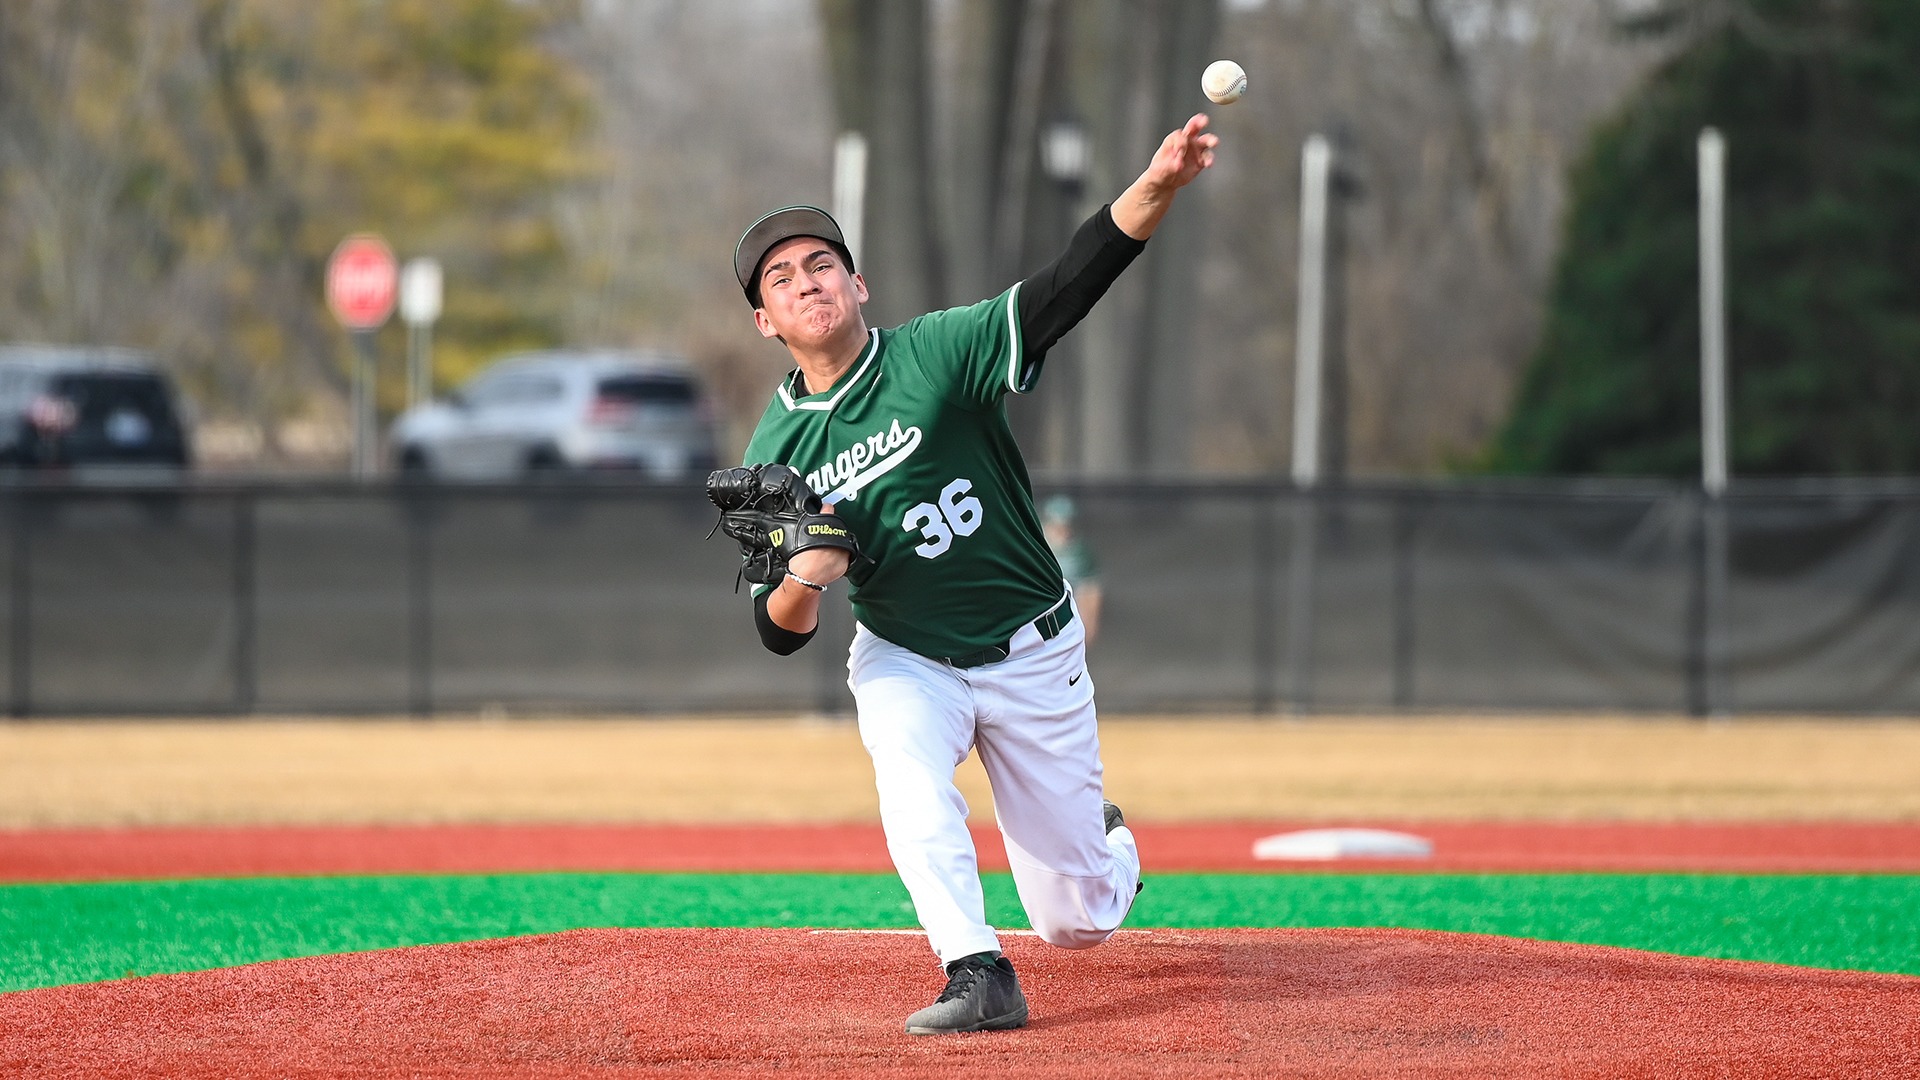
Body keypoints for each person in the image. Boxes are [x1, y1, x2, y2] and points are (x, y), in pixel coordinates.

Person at [729, 113, 1218, 1034]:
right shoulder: (772, 453)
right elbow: (776, 629)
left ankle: (1107, 842)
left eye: (820, 263)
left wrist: (1155, 186)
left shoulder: (937, 353)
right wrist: (807, 577)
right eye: (781, 278)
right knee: (906, 771)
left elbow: (1068, 287)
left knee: (1074, 920)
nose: (806, 282)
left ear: (857, 281)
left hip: (1031, 646)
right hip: (907, 651)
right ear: (766, 320)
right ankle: (976, 969)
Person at [1041, 495, 1102, 643]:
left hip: (1069, 614)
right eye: (1056, 526)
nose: (1062, 532)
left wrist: (1087, 629)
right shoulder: (1035, 548)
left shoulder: (1080, 552)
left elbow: (1091, 591)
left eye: (1066, 526)